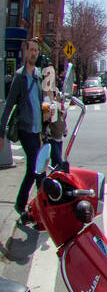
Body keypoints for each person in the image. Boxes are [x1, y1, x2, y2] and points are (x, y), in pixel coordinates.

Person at [3, 40, 47, 225]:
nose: (34, 53)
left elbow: (39, 101)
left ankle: (34, 206)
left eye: (36, 50)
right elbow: (9, 105)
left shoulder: (37, 76)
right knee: (35, 169)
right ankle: (32, 207)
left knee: (38, 169)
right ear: (26, 52)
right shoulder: (20, 77)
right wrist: (0, 133)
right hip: (25, 129)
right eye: (31, 50)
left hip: (37, 129)